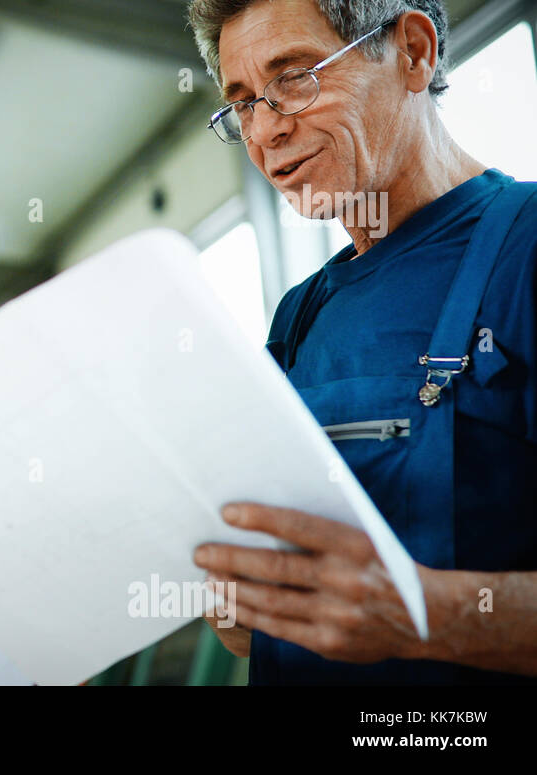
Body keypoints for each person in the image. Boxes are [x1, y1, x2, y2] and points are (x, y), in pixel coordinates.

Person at [185, 0, 537, 684]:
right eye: (244, 103)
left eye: (293, 78)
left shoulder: (524, 249)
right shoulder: (299, 317)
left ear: (412, 51)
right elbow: (248, 633)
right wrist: (236, 598)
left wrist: (427, 614)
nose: (266, 131)